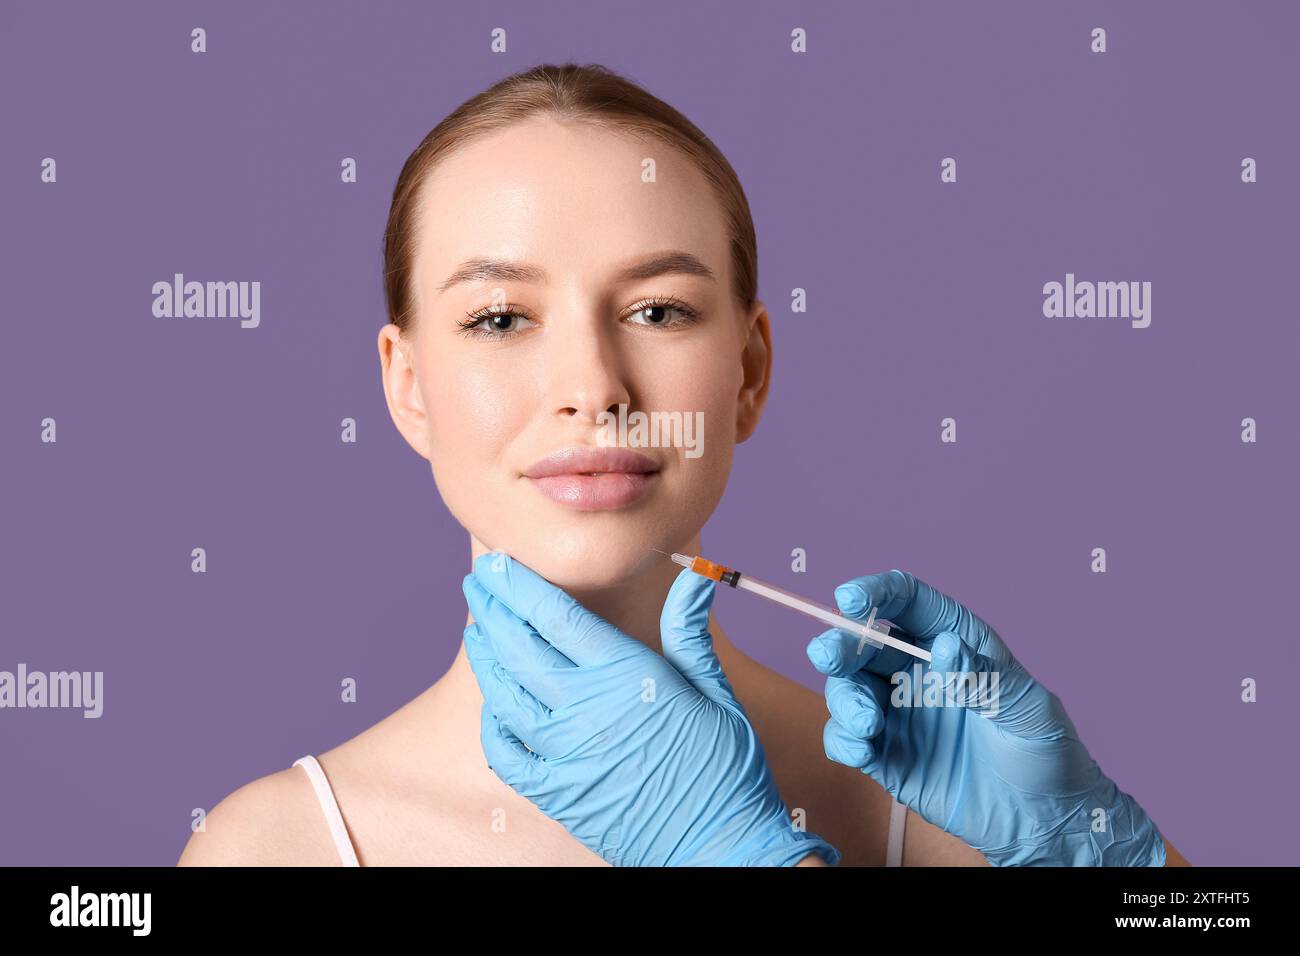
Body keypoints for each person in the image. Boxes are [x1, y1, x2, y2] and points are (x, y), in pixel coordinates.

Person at [177, 61, 1182, 867]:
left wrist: (1104, 851)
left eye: (656, 310)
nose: (593, 385)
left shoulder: (923, 810)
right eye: (498, 317)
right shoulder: (282, 845)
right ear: (408, 386)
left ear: (748, 371)